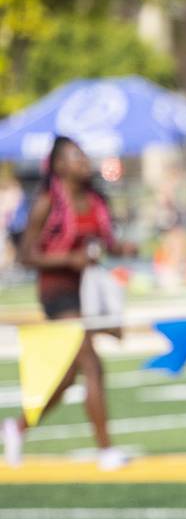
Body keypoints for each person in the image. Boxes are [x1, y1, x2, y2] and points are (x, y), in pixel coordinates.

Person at [3, 136, 136, 470]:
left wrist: (122, 250)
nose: (83, 161)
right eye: (76, 157)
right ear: (59, 165)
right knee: (90, 362)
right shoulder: (48, 203)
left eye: (84, 155)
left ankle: (17, 427)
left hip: (89, 291)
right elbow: (26, 256)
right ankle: (106, 451)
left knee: (69, 375)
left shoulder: (95, 200)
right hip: (57, 292)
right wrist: (68, 259)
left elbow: (104, 245)